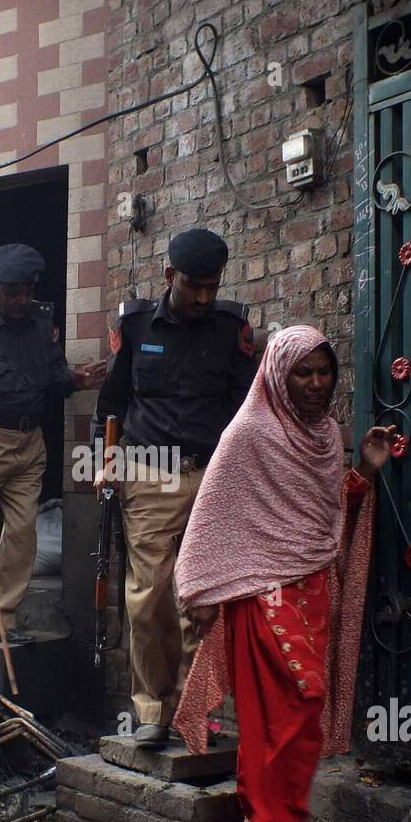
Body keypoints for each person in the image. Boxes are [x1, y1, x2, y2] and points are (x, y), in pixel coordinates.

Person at [172, 325, 397, 822]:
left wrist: (364, 469)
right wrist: (198, 586)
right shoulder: (249, 433)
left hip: (312, 588)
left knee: (293, 711)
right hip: (262, 594)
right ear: (277, 373)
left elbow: (324, 516)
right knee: (289, 707)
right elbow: (211, 514)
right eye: (303, 372)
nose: (316, 384)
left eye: (324, 372)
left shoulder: (322, 435)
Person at [93, 228, 257, 746]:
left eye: (212, 287)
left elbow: (246, 407)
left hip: (212, 473)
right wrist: (106, 459)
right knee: (149, 596)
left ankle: (198, 709)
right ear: (170, 276)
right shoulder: (136, 324)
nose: (204, 298)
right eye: (194, 287)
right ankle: (151, 710)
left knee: (204, 595)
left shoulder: (232, 328)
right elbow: (112, 402)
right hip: (150, 470)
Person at [0, 244, 106, 642]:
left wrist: (75, 380)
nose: (21, 301)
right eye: (12, 293)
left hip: (29, 443)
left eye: (27, 292)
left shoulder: (41, 322)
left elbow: (52, 374)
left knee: (22, 533)